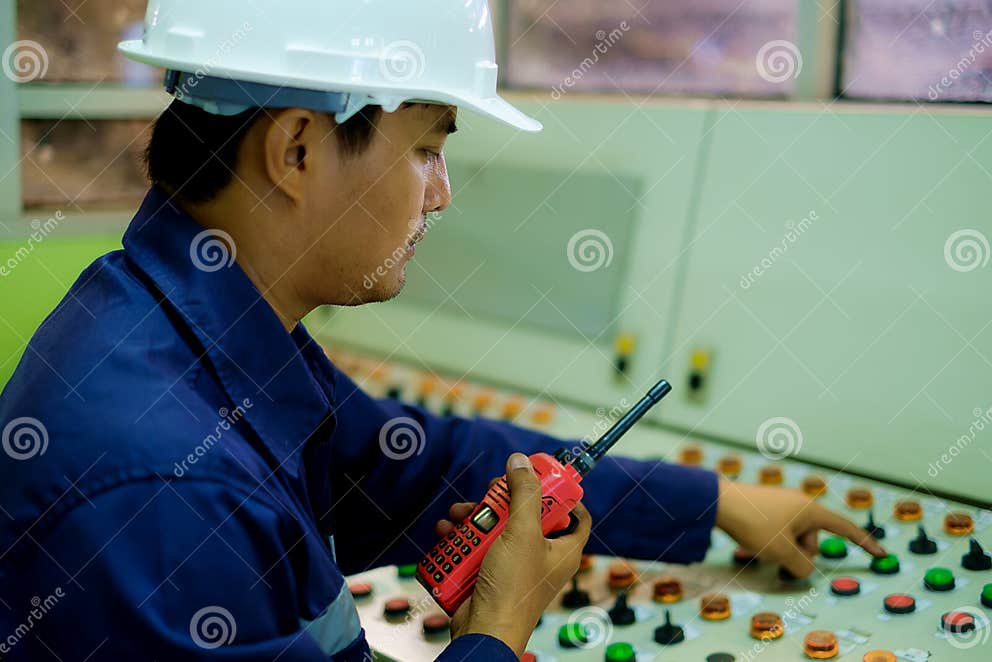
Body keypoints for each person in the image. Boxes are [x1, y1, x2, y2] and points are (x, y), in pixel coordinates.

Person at [0, 1, 885, 660]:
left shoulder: (197, 324)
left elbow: (421, 464)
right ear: (298, 149)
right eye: (427, 146)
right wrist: (497, 629)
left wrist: (718, 504)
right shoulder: (160, 495)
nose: (443, 192)